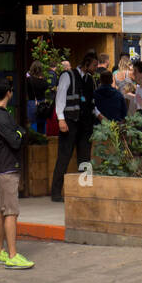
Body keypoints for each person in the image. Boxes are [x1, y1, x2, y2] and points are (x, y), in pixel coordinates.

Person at [0, 80, 33, 269]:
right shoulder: (1, 116)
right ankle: (12, 255)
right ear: (8, 93)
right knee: (11, 212)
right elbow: (15, 140)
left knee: (2, 211)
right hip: (6, 169)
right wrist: (21, 133)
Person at [50, 51, 98, 202]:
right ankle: (56, 192)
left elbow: (92, 103)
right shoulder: (67, 75)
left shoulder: (90, 80)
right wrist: (61, 119)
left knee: (85, 158)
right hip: (70, 121)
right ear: (86, 64)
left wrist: (100, 116)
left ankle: (84, 191)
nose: (96, 68)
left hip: (86, 124)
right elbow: (60, 98)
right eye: (94, 65)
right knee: (64, 157)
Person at [25, 62, 49, 133]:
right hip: (42, 104)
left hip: (32, 103)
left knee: (32, 124)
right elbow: (46, 87)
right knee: (42, 124)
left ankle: (34, 140)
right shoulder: (44, 81)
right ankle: (42, 140)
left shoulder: (29, 80)